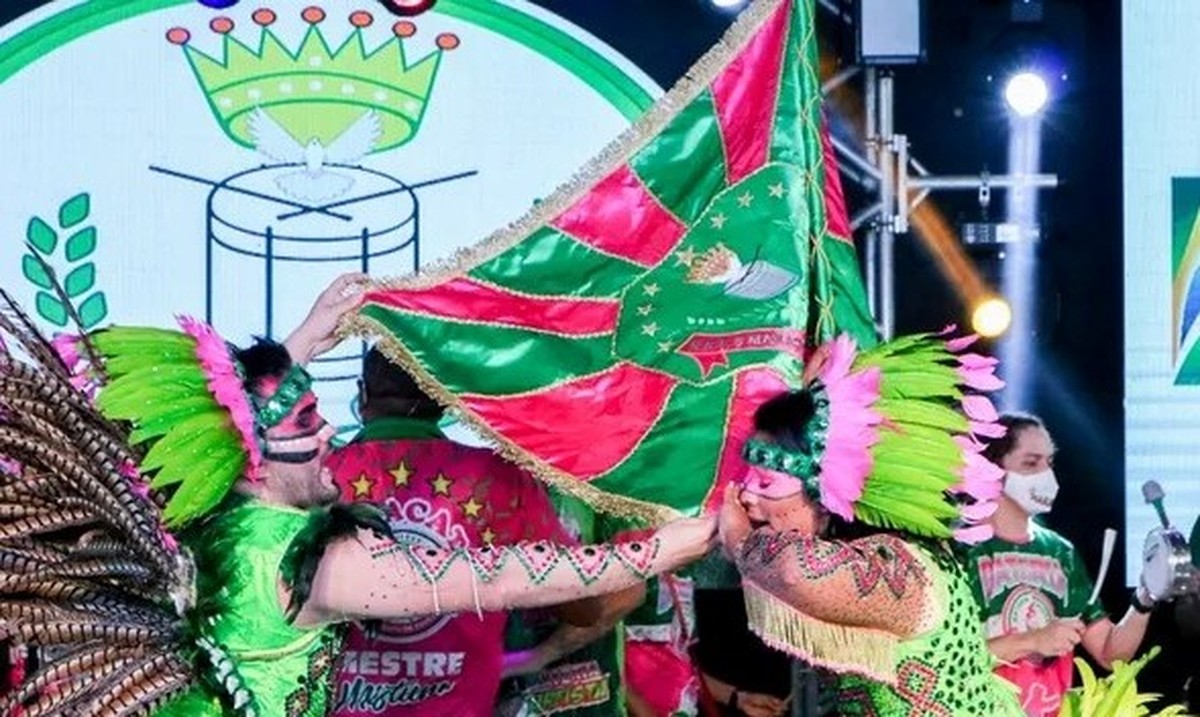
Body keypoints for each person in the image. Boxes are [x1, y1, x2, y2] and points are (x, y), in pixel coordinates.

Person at [0, 276, 716, 715]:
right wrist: (655, 552)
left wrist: (307, 335)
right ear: (254, 455)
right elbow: (498, 576)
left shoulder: (206, 518)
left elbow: (237, 416)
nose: (328, 433)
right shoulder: (314, 566)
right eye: (307, 423)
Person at [715, 332, 1025, 716]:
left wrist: (737, 537)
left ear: (826, 498)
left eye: (765, 483)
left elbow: (795, 572)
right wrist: (809, 409)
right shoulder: (872, 554)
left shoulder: (904, 568)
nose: (745, 496)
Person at [327, 347, 621, 715]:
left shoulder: (321, 477)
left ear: (362, 394)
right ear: (443, 398)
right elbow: (582, 606)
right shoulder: (498, 478)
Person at [966, 412, 1157, 717]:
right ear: (993, 470)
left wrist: (1145, 598)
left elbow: (1110, 655)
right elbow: (950, 659)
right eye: (1031, 463)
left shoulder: (1059, 552)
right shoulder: (963, 548)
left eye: (1049, 462)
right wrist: (1033, 640)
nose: (1047, 476)